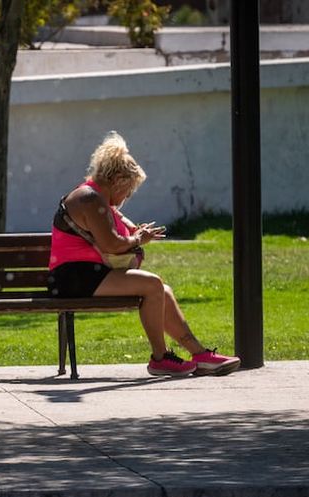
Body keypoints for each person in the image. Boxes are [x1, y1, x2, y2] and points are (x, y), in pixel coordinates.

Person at [47, 131, 240, 377]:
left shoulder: (96, 197)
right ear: (117, 179)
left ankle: (200, 354)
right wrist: (139, 239)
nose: (126, 197)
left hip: (87, 274)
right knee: (152, 285)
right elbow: (111, 245)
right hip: (73, 278)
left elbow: (116, 233)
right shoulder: (90, 199)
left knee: (162, 290)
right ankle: (160, 358)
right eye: (128, 190)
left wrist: (135, 234)